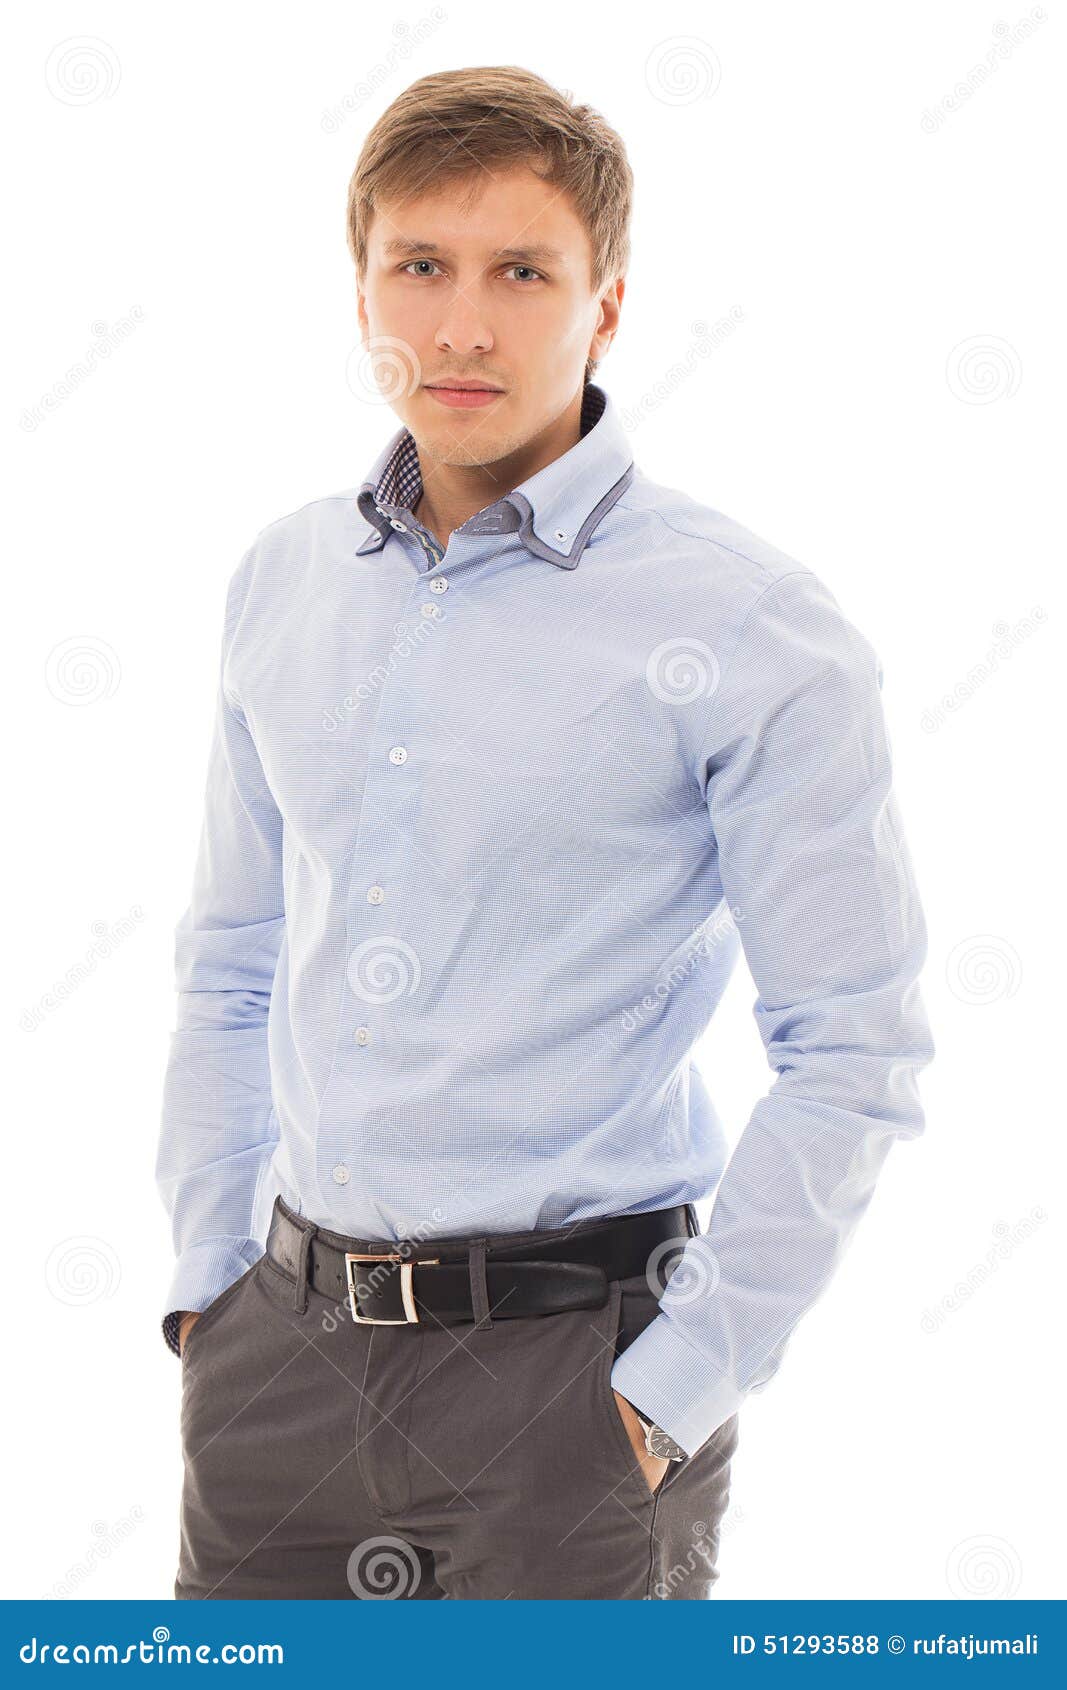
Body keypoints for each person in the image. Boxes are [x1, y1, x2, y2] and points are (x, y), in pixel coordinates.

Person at [157, 64, 934, 1601]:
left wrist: (669, 1393)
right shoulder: (282, 580)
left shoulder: (751, 624)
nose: (461, 327)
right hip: (276, 1375)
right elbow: (230, 957)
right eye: (419, 266)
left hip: (572, 1396)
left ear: (608, 306)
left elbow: (858, 1047)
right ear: (362, 290)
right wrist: (207, 1296)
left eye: (521, 272)